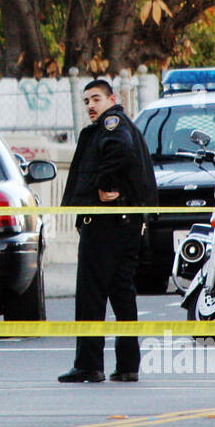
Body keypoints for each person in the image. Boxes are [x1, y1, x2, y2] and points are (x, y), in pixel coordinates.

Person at [57, 79, 158, 383]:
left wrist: (106, 186)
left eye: (96, 99)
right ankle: (127, 366)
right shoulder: (115, 124)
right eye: (86, 101)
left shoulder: (111, 124)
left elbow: (120, 152)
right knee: (122, 294)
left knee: (91, 295)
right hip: (125, 225)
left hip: (105, 225)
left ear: (111, 99)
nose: (90, 106)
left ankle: (89, 365)